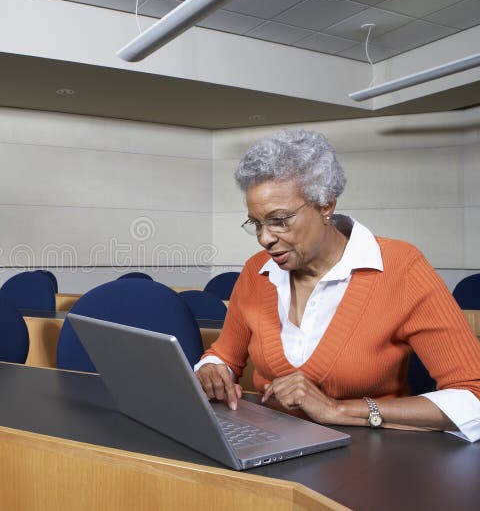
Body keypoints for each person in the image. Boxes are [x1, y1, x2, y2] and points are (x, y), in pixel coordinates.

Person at [195, 129, 480, 441]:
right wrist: (212, 368)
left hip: (371, 456)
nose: (265, 238)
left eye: (279, 220)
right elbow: (225, 354)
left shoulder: (402, 268)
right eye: (257, 223)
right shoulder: (256, 272)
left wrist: (338, 410)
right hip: (270, 444)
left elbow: (473, 395)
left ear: (325, 205)